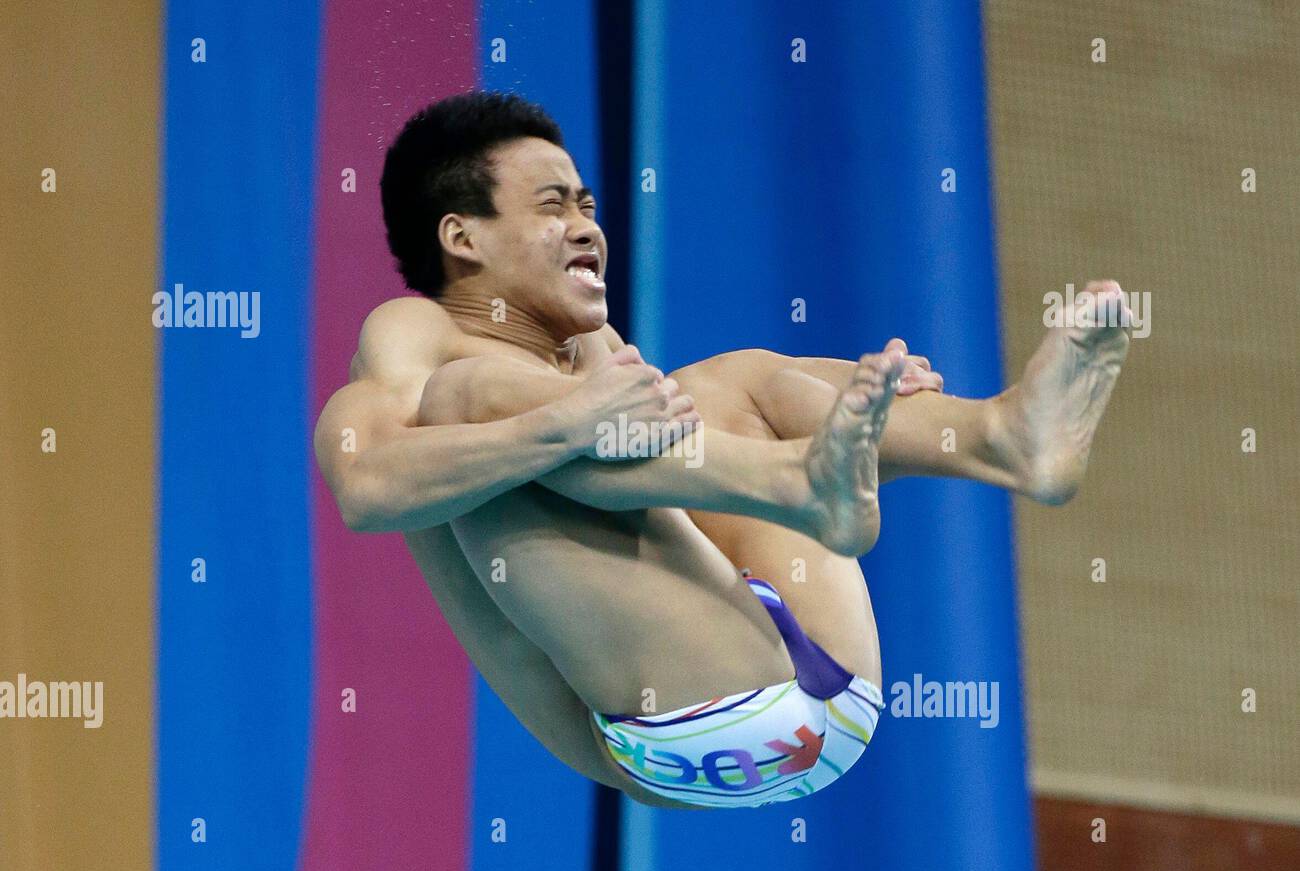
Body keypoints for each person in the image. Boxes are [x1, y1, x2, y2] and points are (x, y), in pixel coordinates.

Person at [314, 92, 1131, 809]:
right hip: (686, 730)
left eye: (589, 206)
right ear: (462, 237)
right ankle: (800, 483)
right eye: (553, 206)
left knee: (727, 382)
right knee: (474, 398)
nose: (588, 230)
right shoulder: (416, 333)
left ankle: (1006, 440)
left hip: (816, 669)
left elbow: (673, 450)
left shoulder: (591, 354)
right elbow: (364, 484)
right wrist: (565, 426)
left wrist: (865, 390)